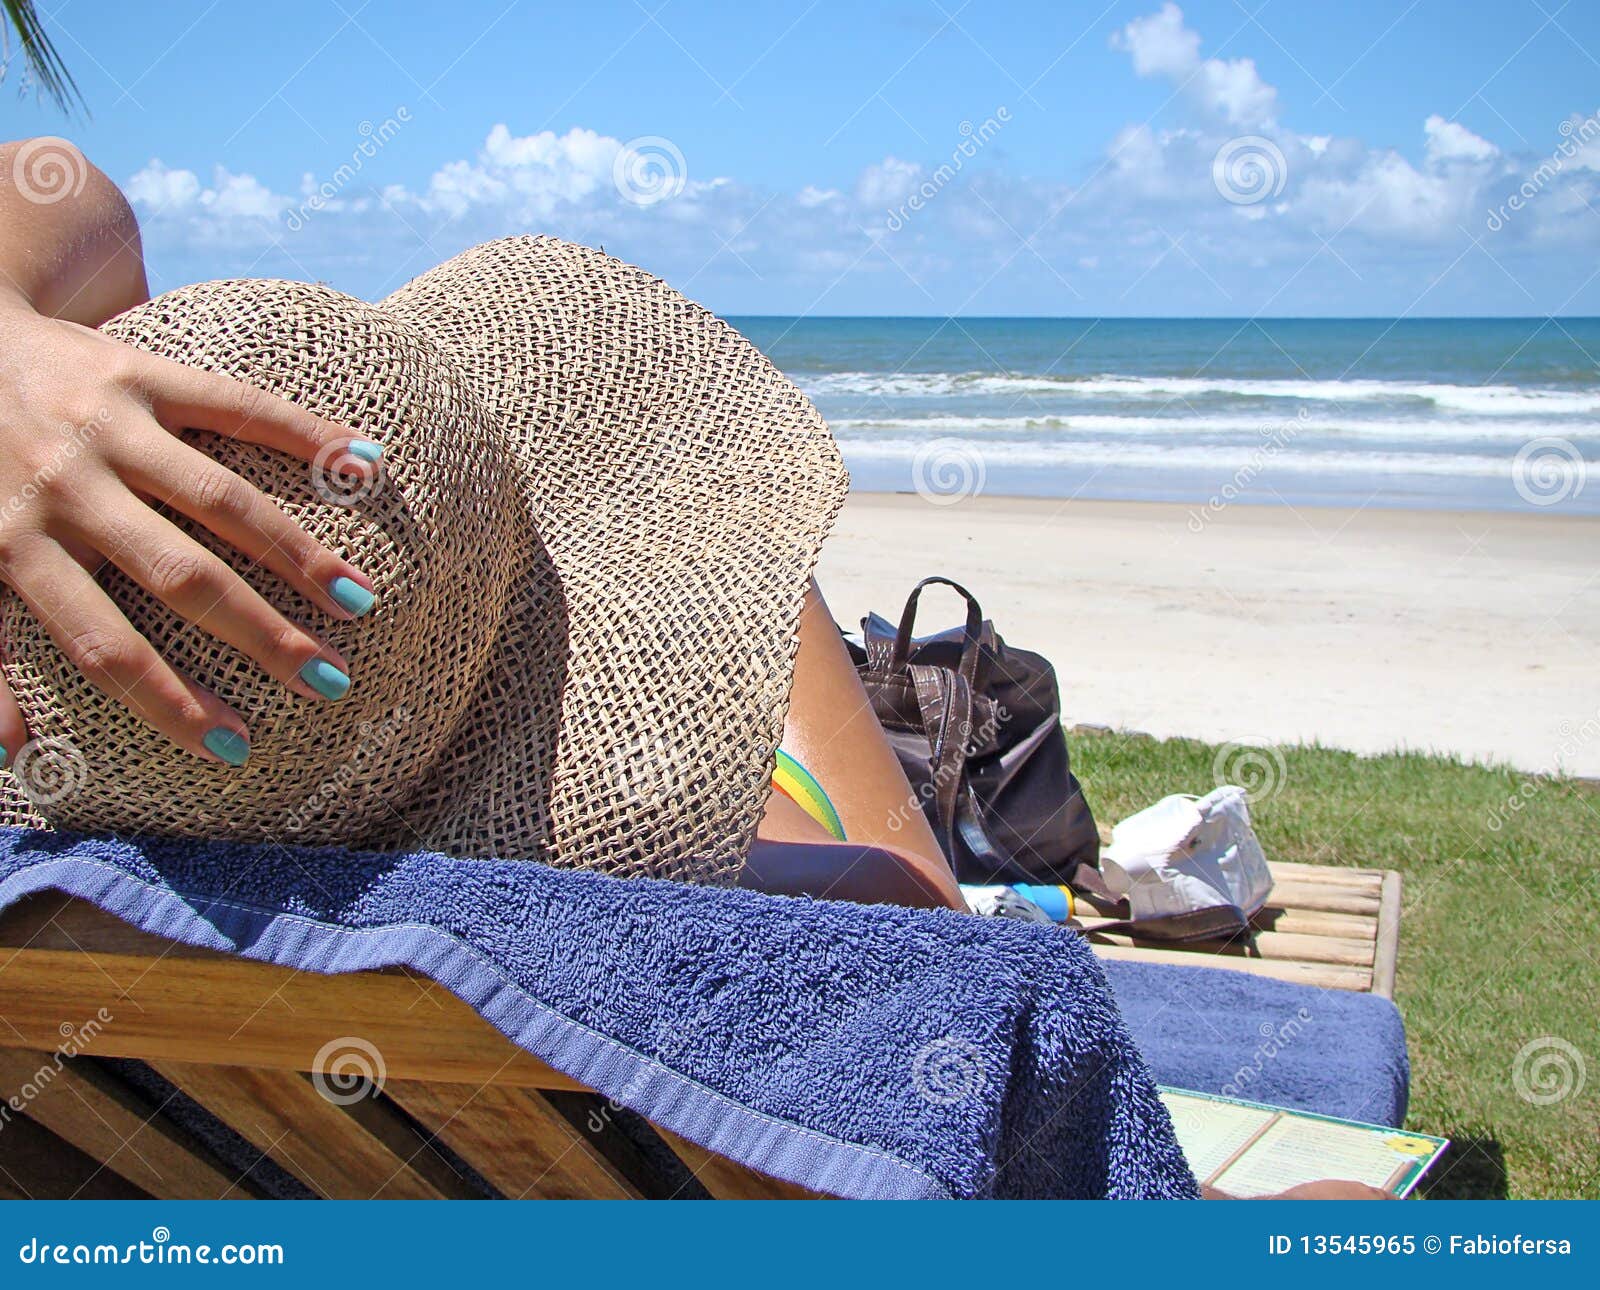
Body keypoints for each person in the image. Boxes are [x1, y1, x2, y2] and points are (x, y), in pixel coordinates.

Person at [0, 137, 963, 912]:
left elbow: (61, 183)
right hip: (603, 772)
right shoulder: (814, 901)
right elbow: (947, 949)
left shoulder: (72, 939)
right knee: (752, 568)